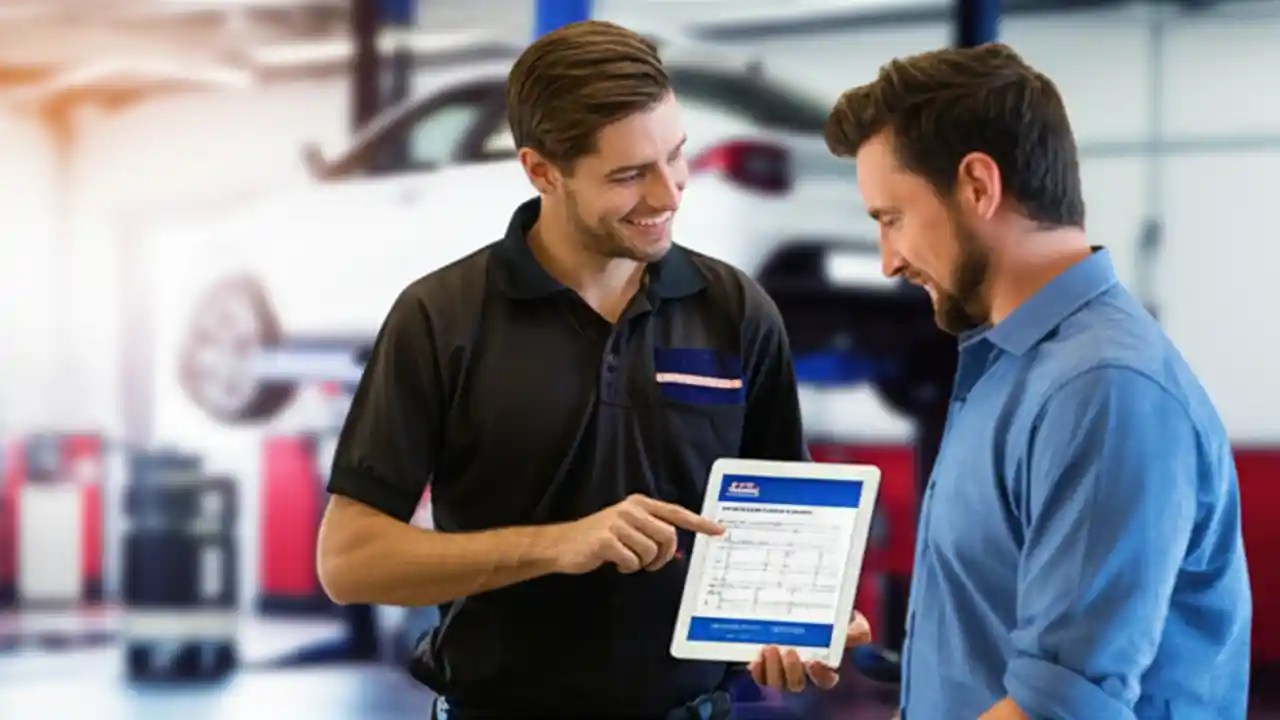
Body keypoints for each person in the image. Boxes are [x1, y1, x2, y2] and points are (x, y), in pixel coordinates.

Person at [315, 20, 869, 720]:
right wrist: (556, 545)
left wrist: (802, 627)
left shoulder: (736, 309)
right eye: (630, 175)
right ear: (543, 171)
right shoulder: (441, 317)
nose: (669, 195)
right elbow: (350, 560)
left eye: (676, 157)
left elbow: (783, 537)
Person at [824, 43, 1252, 719]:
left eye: (892, 219)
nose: (888, 261)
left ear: (977, 186)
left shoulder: (1102, 388)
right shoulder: (1013, 367)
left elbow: (1060, 706)